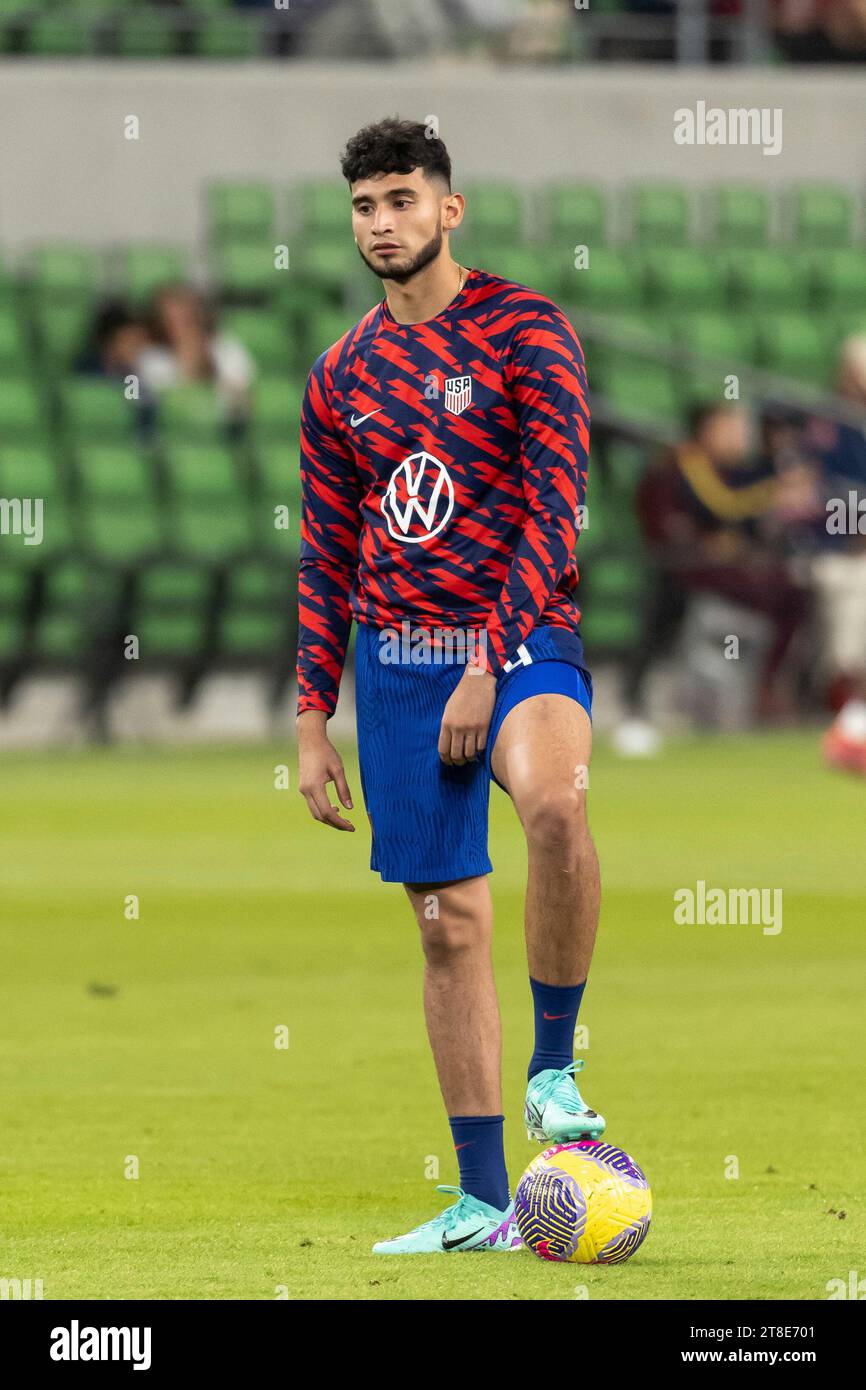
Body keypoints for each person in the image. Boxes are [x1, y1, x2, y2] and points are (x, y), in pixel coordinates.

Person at [295, 117, 600, 1255]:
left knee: (557, 804)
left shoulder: (524, 329)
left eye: (401, 201)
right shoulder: (340, 376)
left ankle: (556, 1067)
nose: (383, 224)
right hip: (397, 657)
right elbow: (326, 552)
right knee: (444, 927)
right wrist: (309, 714)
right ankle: (482, 1203)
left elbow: (552, 503)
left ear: (447, 209)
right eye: (366, 206)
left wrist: (483, 660)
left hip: (517, 636)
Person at [136, 284, 255, 422]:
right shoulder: (150, 358)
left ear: (196, 316)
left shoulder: (225, 347)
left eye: (184, 317)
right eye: (168, 319)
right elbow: (171, 407)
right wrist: (187, 358)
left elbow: (242, 397)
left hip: (224, 428)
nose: (177, 325)